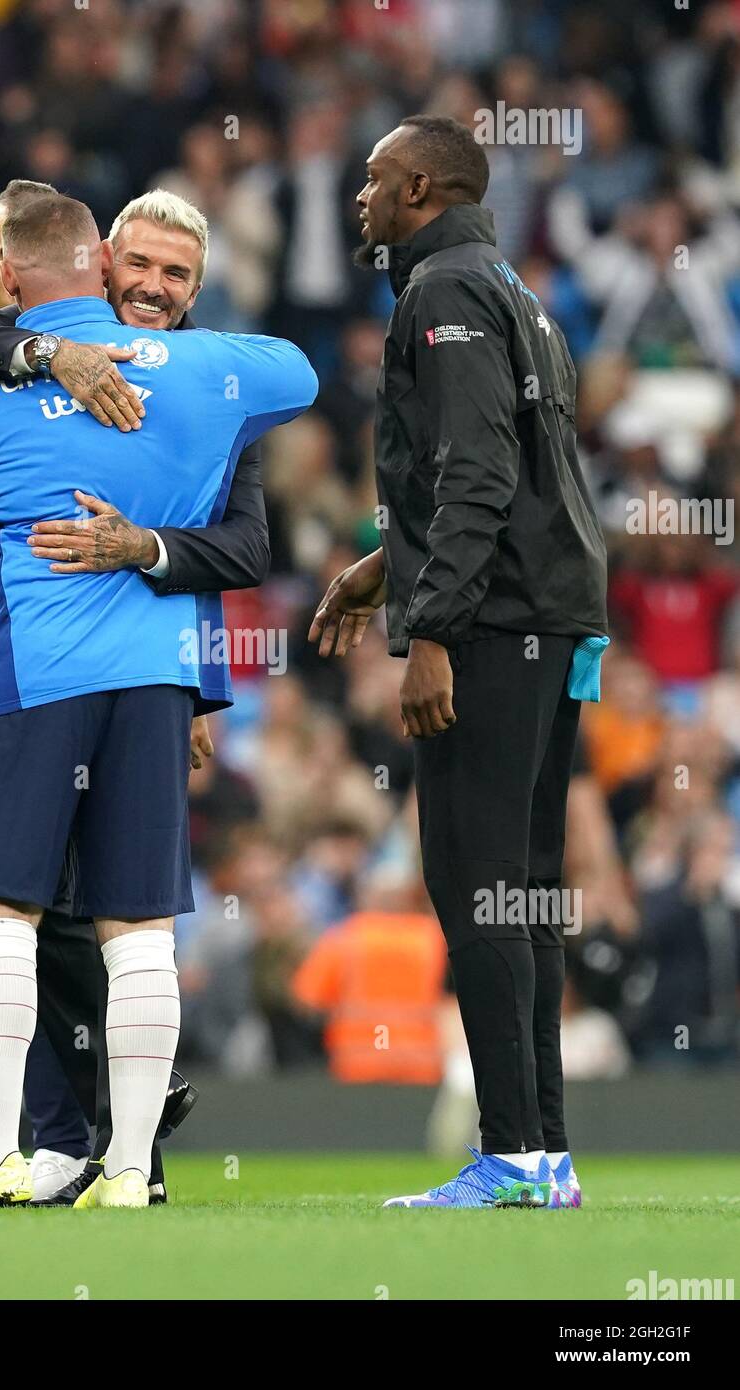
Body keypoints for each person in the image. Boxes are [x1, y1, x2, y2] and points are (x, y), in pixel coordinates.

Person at [0, 192, 317, 1209]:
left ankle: (112, 1148)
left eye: (177, 277)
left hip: (147, 670)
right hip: (23, 665)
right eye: (141, 265)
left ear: (197, 292)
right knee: (52, 919)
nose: (154, 288)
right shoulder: (8, 349)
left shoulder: (212, 391)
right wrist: (51, 356)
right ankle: (68, 1139)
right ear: (98, 264)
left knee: (90, 914)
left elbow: (249, 548)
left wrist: (154, 571)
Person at [310, 116, 607, 1210]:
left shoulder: (438, 296)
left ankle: (513, 1155)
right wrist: (383, 565)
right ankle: (546, 1154)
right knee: (522, 894)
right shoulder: (513, 289)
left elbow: (475, 469)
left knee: (477, 890)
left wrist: (430, 626)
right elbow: (516, 473)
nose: (361, 198)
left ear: (423, 188)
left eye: (376, 180)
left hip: (490, 627)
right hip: (550, 617)